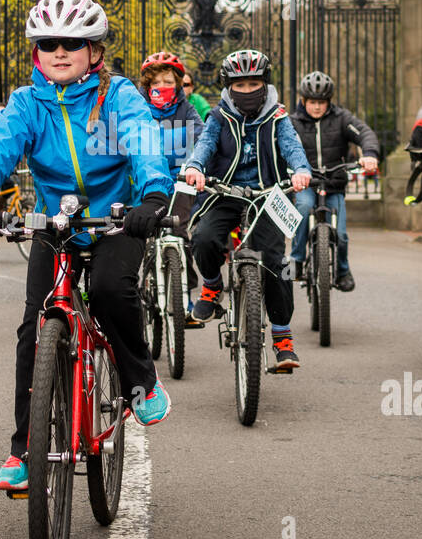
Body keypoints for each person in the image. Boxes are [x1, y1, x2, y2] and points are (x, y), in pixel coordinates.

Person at [0, 0, 173, 492]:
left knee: (108, 291)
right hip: (55, 227)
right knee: (34, 329)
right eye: (49, 42)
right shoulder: (26, 103)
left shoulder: (117, 96)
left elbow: (144, 143)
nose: (60, 51)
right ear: (37, 51)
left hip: (117, 223)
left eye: (73, 43)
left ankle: (140, 379)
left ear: (95, 51)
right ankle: (22, 452)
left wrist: (154, 196)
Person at [182, 49, 312, 369]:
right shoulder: (217, 116)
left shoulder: (278, 116)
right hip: (225, 193)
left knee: (275, 262)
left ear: (265, 84)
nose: (247, 90)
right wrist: (195, 167)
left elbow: (292, 146)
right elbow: (205, 145)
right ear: (228, 86)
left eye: (254, 83)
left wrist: (300, 169)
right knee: (204, 239)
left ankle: (283, 339)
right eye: (239, 85)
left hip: (269, 195)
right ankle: (212, 288)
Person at [288, 70, 380, 293]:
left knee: (341, 233)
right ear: (303, 101)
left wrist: (369, 153)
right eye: (312, 102)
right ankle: (297, 260)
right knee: (302, 209)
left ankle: (342, 270)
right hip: (306, 184)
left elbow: (364, 133)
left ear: (329, 102)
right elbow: (281, 146)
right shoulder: (292, 122)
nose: (317, 107)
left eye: (321, 102)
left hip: (334, 184)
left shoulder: (341, 118)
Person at [139, 51, 204, 180]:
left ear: (177, 85)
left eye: (168, 82)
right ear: (148, 86)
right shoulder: (138, 109)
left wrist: (195, 166)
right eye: (156, 83)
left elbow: (203, 139)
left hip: (179, 179)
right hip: (146, 178)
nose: (162, 87)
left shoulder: (186, 109)